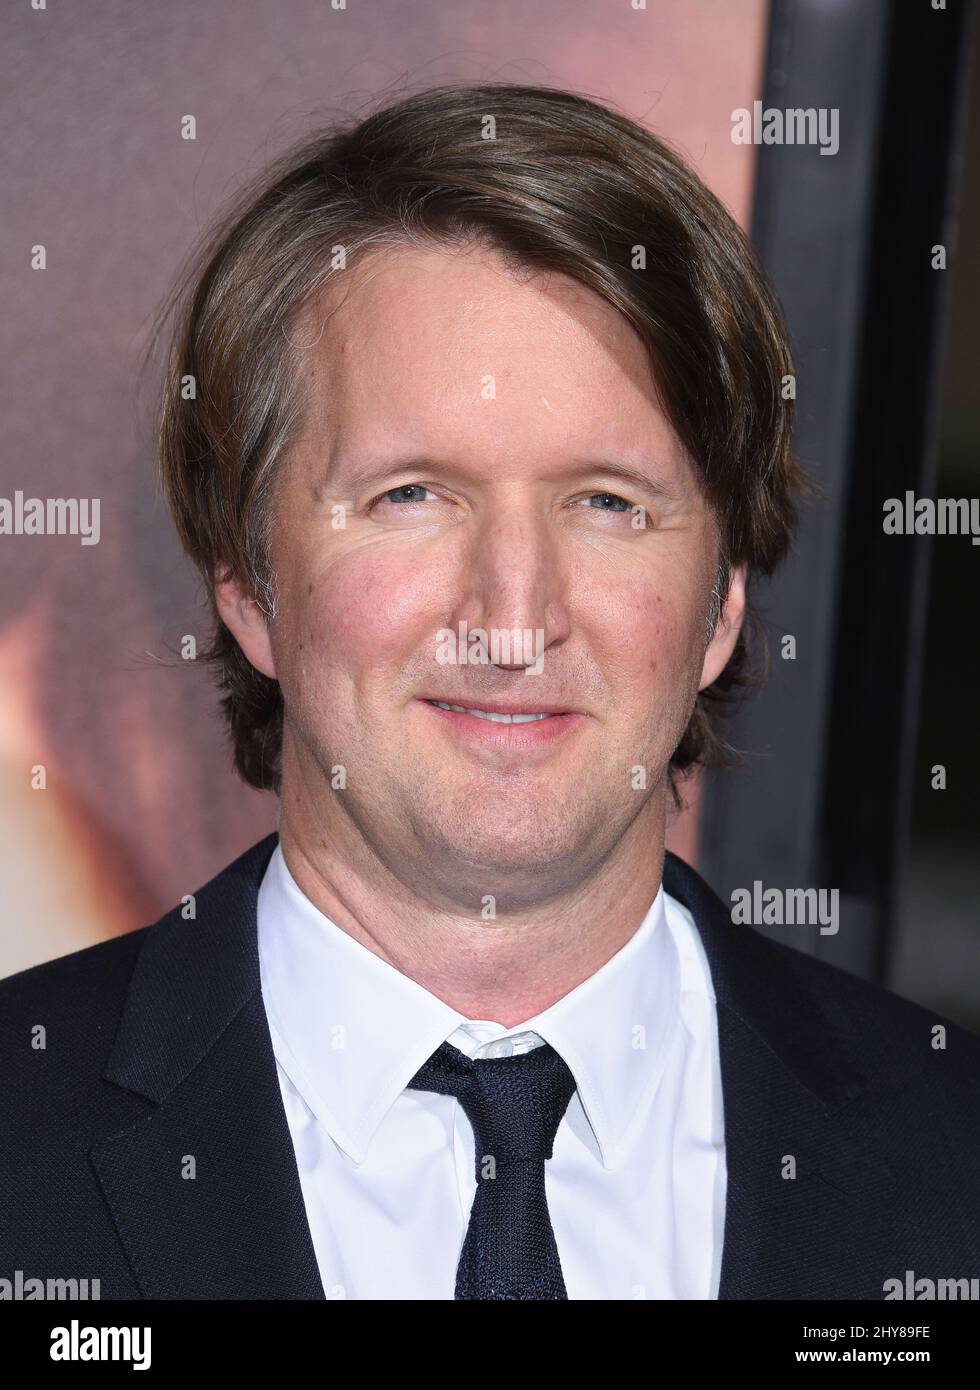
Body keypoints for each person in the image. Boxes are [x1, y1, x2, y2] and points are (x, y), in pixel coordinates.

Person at [2, 83, 978, 1302]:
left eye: (607, 503)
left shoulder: (952, 1165)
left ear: (722, 596)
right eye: (412, 494)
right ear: (246, 583)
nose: (514, 618)